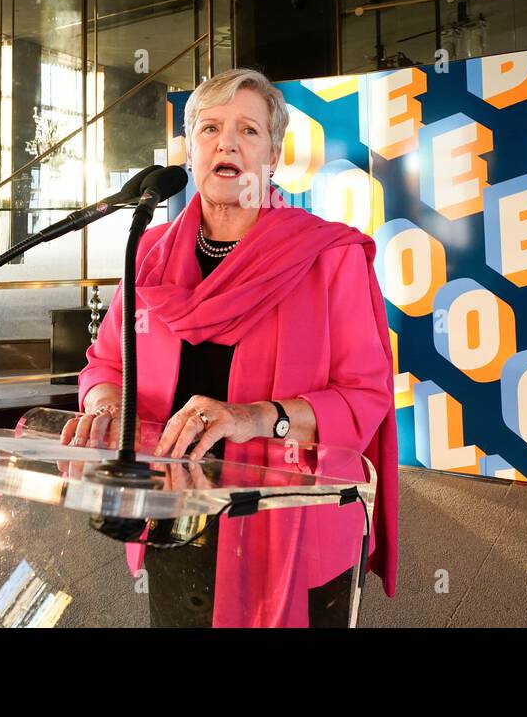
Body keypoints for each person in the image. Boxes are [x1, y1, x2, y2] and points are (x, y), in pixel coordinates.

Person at [69, 67, 398, 626]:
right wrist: (106, 405)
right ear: (191, 150)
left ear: (274, 152)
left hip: (292, 520)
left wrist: (252, 419)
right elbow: (105, 363)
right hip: (173, 514)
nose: (227, 142)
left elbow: (364, 397)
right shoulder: (146, 251)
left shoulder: (329, 256)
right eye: (210, 128)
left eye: (248, 130)